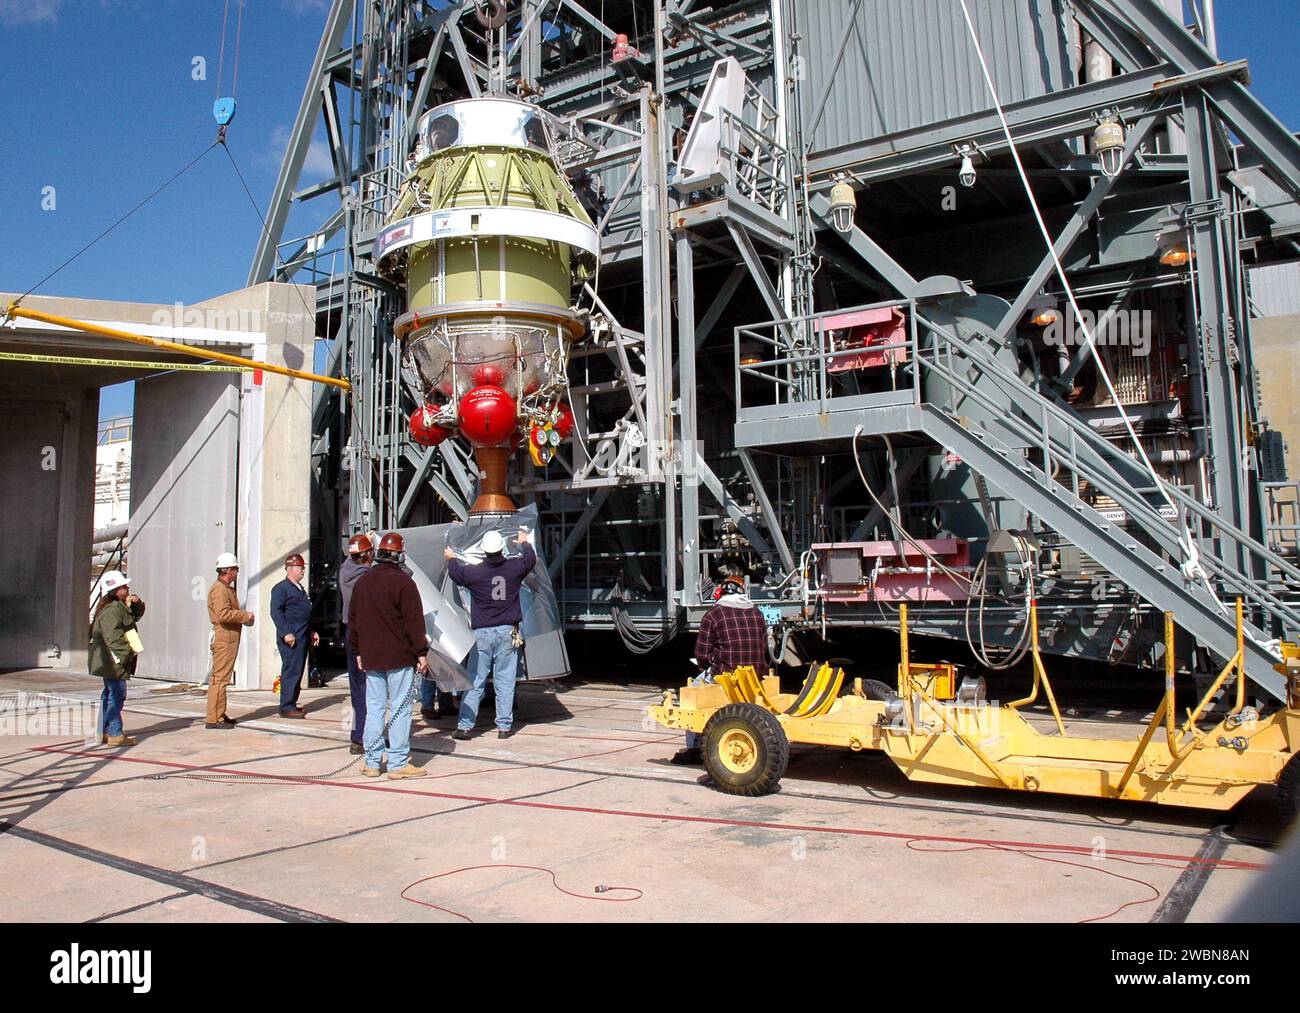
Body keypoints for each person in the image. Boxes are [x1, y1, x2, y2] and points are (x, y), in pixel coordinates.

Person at [348, 532, 430, 780]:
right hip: (399, 657)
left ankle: (372, 763)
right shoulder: (404, 583)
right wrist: (421, 653)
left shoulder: (363, 583)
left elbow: (354, 622)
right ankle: (397, 764)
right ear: (399, 556)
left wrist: (357, 651)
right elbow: (414, 623)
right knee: (400, 709)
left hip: (372, 657)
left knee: (374, 710)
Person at [444, 527, 535, 740]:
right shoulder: (514, 568)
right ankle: (504, 727)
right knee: (505, 680)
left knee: (475, 680)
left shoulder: (475, 573)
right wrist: (524, 542)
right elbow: (530, 560)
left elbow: (456, 573)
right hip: (507, 632)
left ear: (484, 551)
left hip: (482, 634)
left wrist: (451, 558)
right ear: (502, 548)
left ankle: (465, 726)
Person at [670, 576, 769, 765]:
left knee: (692, 693)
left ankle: (693, 749)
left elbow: (701, 653)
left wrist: (707, 666)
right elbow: (763, 648)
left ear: (720, 593)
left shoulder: (713, 614)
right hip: (754, 676)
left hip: (724, 675)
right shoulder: (757, 613)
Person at [88, 571, 146, 747]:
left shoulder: (119, 606)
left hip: (111, 659)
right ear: (114, 590)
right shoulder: (112, 610)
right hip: (113, 661)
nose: (127, 588)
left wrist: (137, 604)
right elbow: (112, 637)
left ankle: (104, 730)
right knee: (116, 695)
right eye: (123, 587)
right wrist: (127, 653)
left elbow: (133, 617)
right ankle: (114, 733)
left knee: (109, 695)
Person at [206, 553, 254, 730]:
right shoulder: (220, 590)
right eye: (235, 569)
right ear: (228, 570)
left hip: (229, 638)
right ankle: (214, 717)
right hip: (224, 638)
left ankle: (219, 712)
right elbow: (223, 614)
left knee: (222, 678)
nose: (237, 572)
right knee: (219, 679)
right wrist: (244, 615)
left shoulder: (226, 589)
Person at [271, 553, 318, 719]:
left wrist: (311, 631)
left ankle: (292, 702)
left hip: (302, 636)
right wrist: (286, 633)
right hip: (291, 638)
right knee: (291, 670)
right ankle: (286, 706)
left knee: (297, 671)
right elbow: (276, 613)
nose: (303, 571)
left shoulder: (299, 590)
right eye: (300, 568)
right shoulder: (281, 589)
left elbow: (304, 614)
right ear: (290, 569)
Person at [339, 533, 375, 753]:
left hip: (350, 632)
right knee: (372, 688)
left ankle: (357, 735)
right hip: (367, 633)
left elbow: (349, 559)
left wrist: (362, 542)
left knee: (357, 688)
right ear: (368, 555)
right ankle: (366, 735)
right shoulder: (368, 577)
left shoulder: (345, 572)